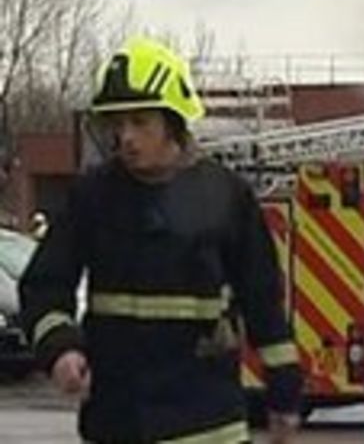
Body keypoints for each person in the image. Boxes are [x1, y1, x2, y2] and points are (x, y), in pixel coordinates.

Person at [18, 37, 302, 443]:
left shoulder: (226, 196)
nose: (125, 138)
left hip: (208, 426)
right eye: (116, 124)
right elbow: (45, 286)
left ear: (173, 121)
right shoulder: (94, 197)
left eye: (140, 122)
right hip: (117, 424)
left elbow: (263, 303)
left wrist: (284, 398)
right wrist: (61, 350)